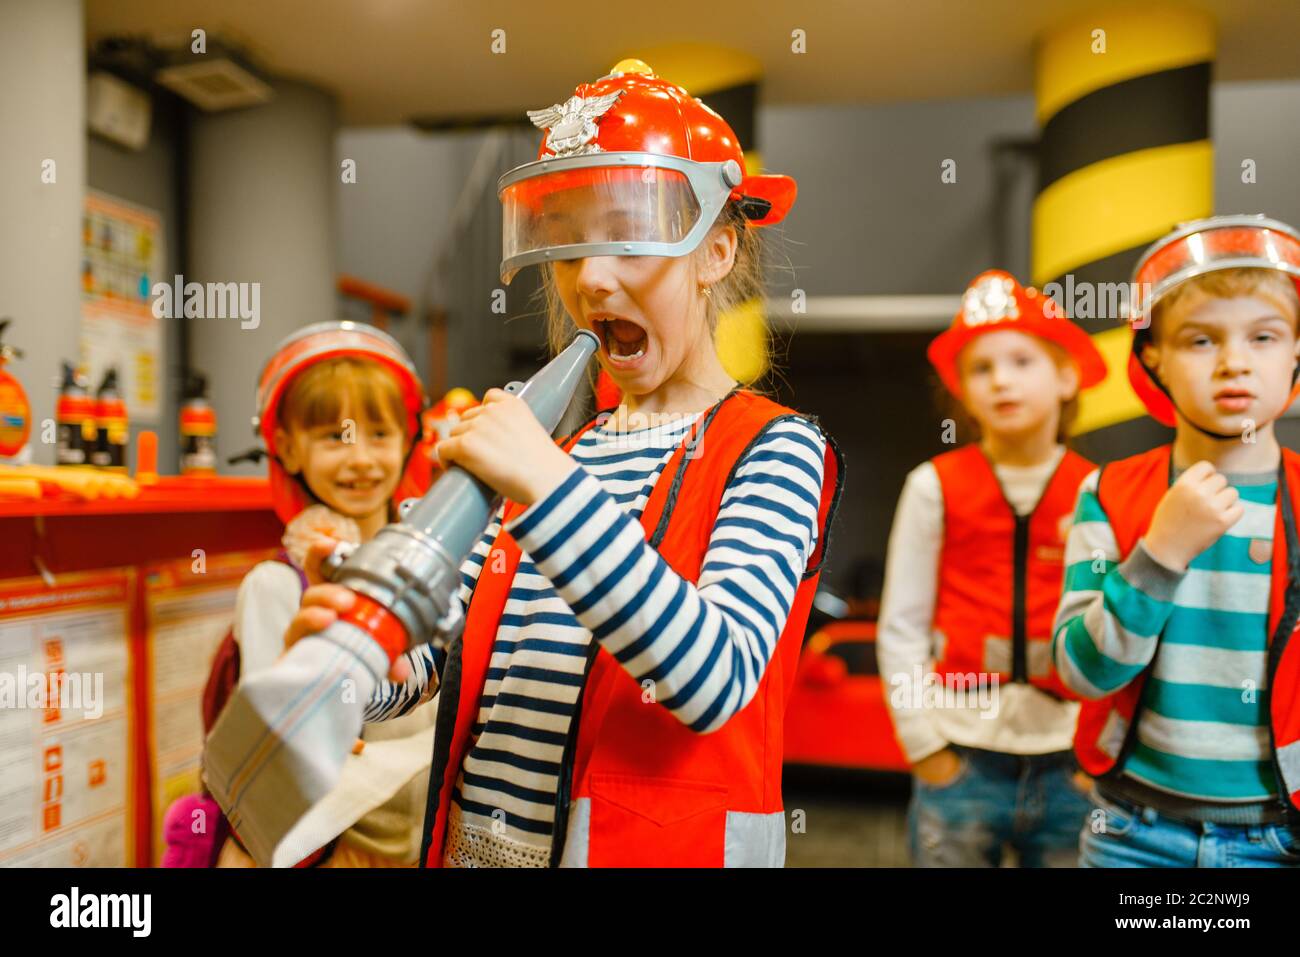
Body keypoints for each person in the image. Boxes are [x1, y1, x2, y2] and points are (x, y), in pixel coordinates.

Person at [282, 59, 844, 868]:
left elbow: (713, 677)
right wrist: (352, 668)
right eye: (569, 243)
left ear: (717, 251)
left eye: (628, 234)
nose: (591, 279)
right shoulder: (556, 448)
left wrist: (543, 485)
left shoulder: (777, 449)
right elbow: (445, 653)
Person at [1054, 214, 1300, 867]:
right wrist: (1159, 555)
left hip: (1283, 835)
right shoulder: (1109, 493)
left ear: (1297, 350)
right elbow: (1081, 672)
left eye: (1265, 336)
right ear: (1152, 355)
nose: (1235, 362)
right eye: (1200, 339)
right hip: (1135, 831)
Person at [877, 269, 1106, 866]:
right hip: (960, 756)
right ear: (962, 392)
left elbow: (1120, 630)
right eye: (981, 368)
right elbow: (901, 626)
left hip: (1072, 764)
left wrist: (1099, 748)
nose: (1001, 380)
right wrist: (923, 744)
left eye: (1021, 361)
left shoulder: (1099, 491)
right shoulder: (933, 487)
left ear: (1065, 376)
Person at [217, 321, 440, 867]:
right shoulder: (276, 586)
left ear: (411, 440)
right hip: (332, 849)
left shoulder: (438, 565)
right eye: (335, 437)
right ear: (289, 449)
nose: (360, 458)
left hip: (427, 839)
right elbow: (276, 741)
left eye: (380, 434)